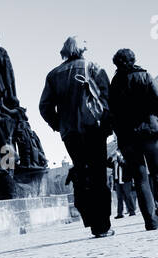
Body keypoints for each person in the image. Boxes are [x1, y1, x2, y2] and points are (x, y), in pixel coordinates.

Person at [39, 36, 113, 238]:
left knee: (81, 173)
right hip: (94, 128)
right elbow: (108, 98)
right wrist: (107, 124)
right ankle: (102, 225)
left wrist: (58, 123)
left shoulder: (53, 75)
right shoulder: (94, 68)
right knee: (98, 175)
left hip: (70, 132)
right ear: (82, 50)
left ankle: (90, 218)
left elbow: (44, 106)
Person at [108, 48, 158, 230]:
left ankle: (151, 221)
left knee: (140, 177)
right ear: (134, 59)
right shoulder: (145, 76)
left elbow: (112, 113)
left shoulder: (114, 83)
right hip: (150, 130)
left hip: (128, 136)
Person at [110, 149, 136, 217]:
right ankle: (119, 213)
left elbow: (123, 164)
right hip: (118, 182)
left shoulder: (126, 159)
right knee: (119, 198)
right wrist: (111, 157)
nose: (117, 153)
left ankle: (132, 211)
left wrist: (118, 157)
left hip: (126, 181)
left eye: (118, 152)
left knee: (128, 196)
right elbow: (108, 164)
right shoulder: (114, 161)